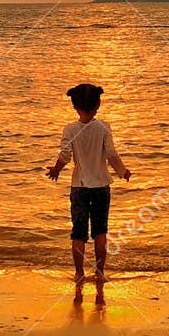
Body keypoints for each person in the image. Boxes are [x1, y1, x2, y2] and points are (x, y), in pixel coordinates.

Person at [44, 82, 130, 303]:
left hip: (79, 187)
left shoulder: (70, 130)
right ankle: (99, 272)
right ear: (98, 104)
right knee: (100, 232)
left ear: (74, 106)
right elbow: (111, 154)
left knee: (78, 233)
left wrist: (56, 170)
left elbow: (65, 156)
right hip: (101, 187)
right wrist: (122, 172)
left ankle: (79, 273)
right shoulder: (104, 128)